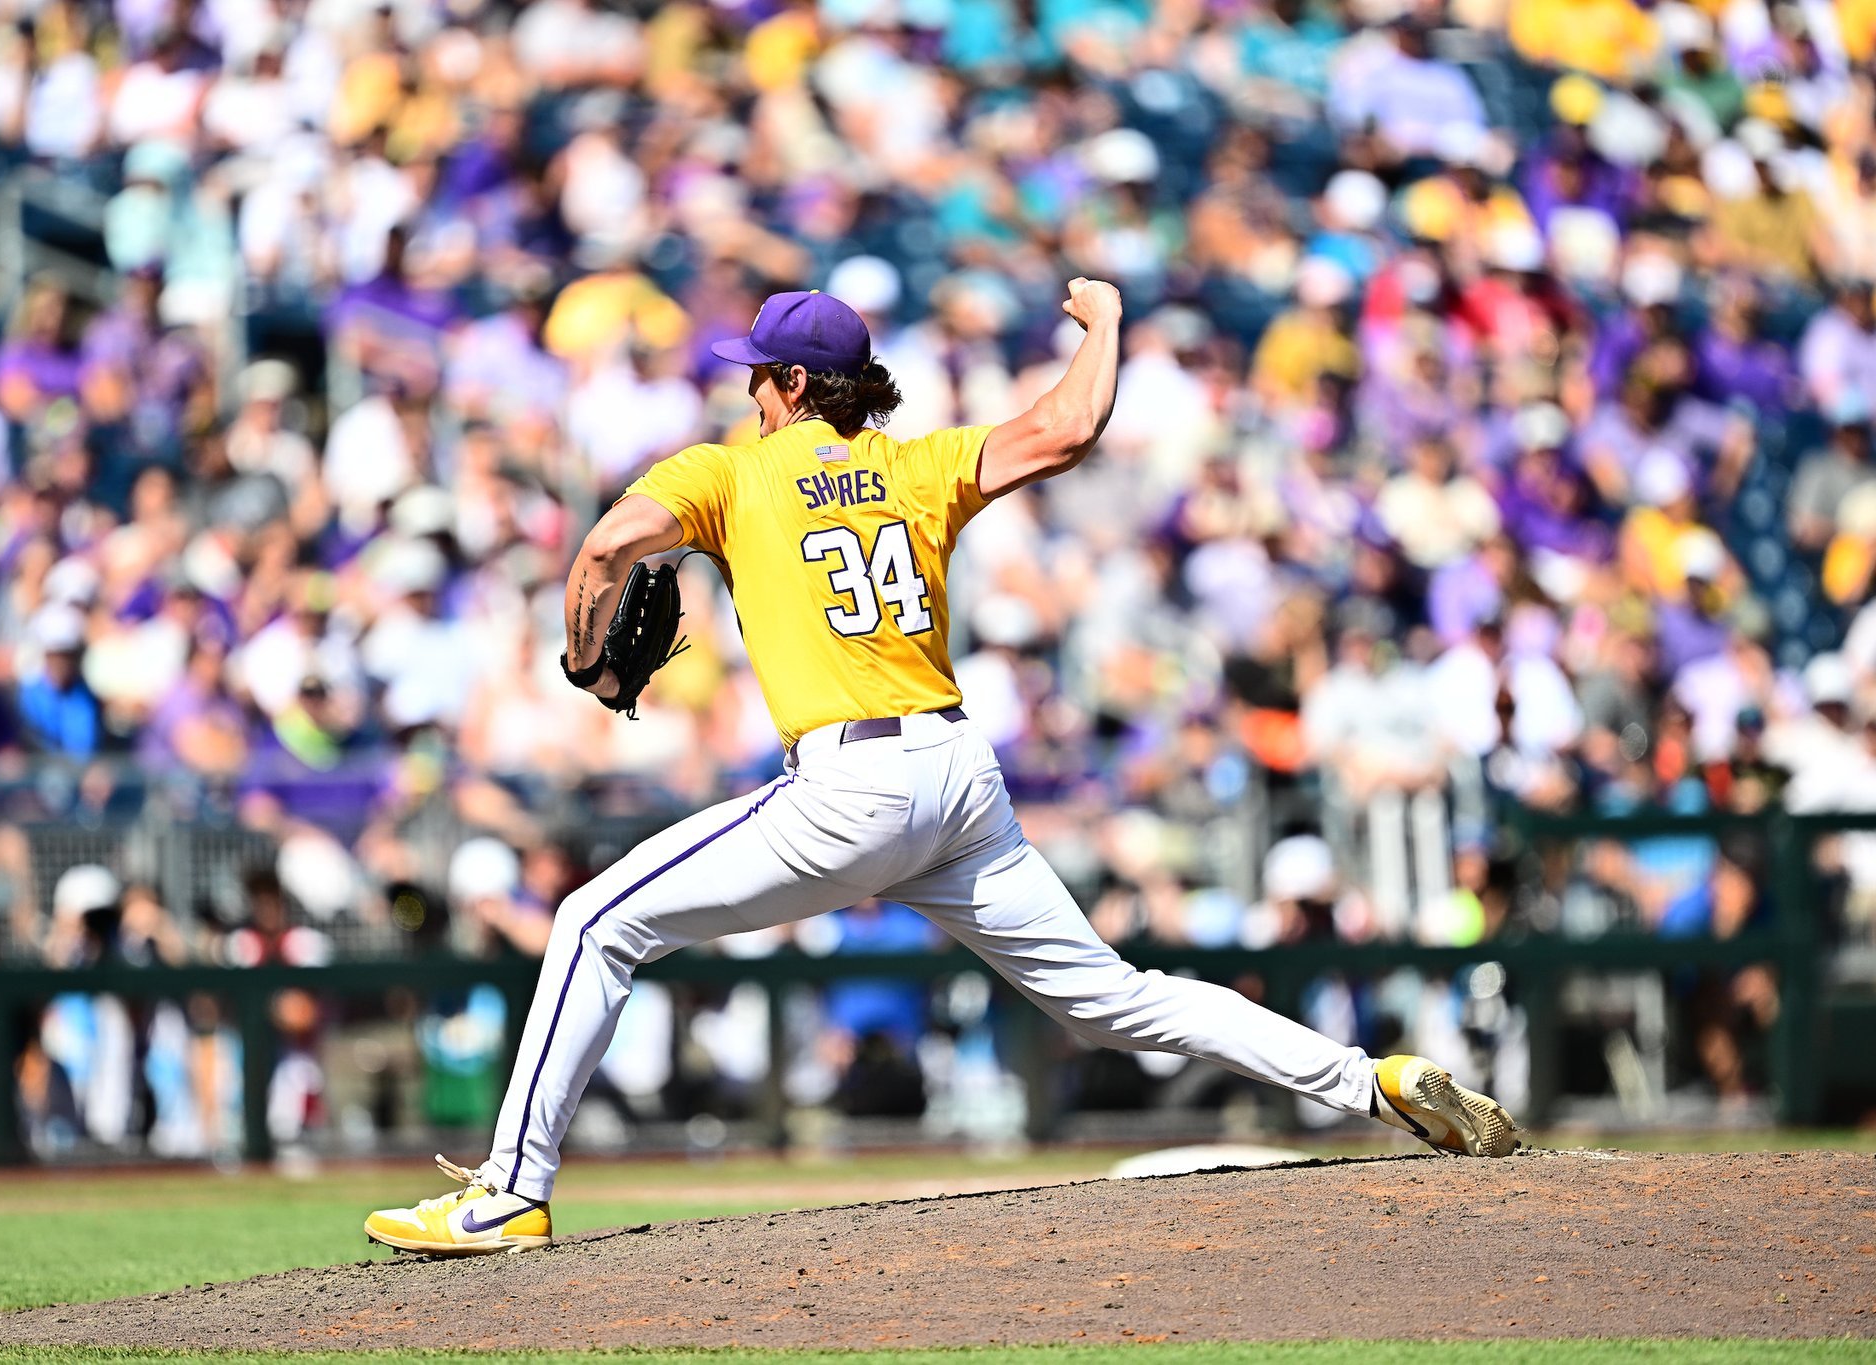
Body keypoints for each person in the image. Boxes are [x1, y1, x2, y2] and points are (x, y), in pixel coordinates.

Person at [362, 282, 1523, 1256]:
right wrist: (1103, 325)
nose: (747, 390)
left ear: (797, 387)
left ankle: (510, 1193)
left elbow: (607, 545)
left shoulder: (729, 474)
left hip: (849, 788)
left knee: (589, 921)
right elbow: (1064, 431)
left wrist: (587, 661)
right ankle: (1366, 1080)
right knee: (1114, 998)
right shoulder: (920, 467)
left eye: (760, 375)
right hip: (960, 782)